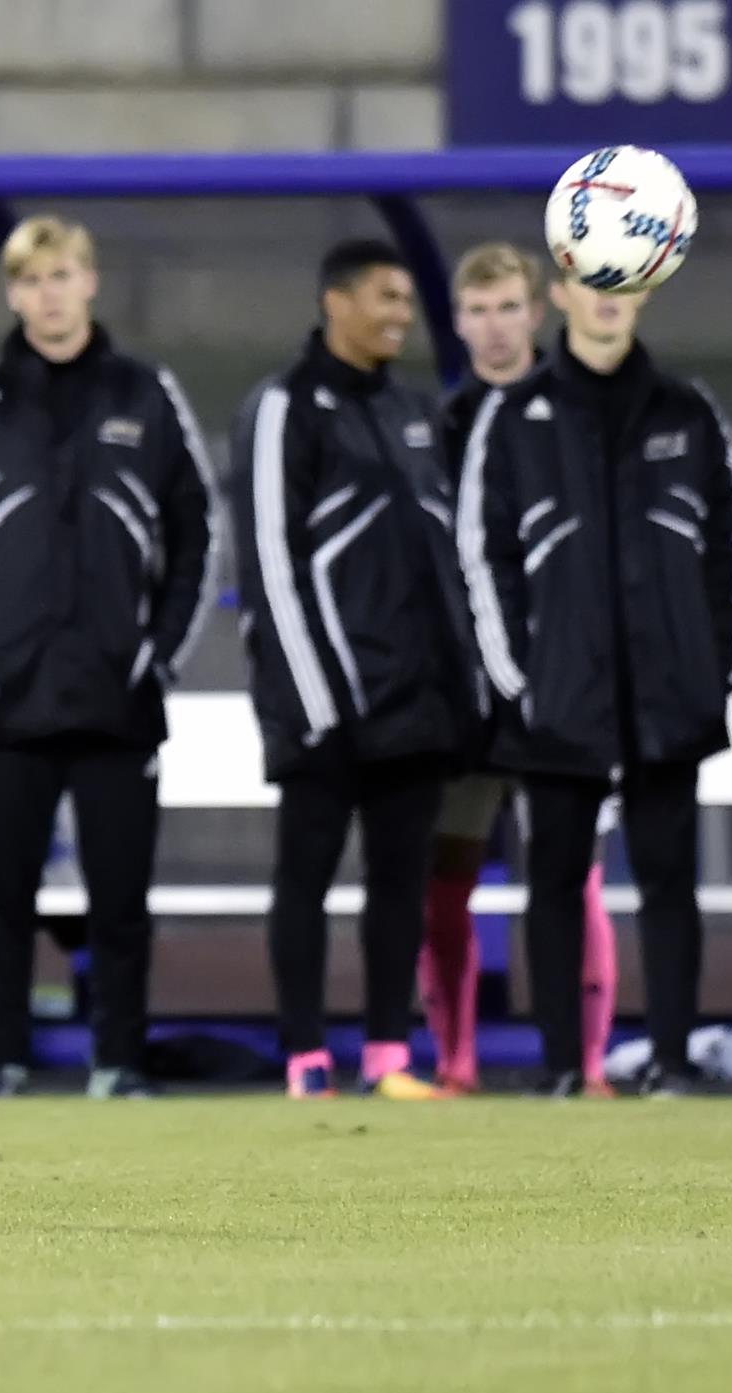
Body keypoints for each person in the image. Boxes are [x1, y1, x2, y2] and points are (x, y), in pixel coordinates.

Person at [0, 216, 216, 1100]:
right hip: (8, 701)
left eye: (64, 274)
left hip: (120, 699)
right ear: (13, 292)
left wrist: (158, 656)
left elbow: (197, 528)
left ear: (91, 282)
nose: (49, 293)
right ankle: (3, 1061)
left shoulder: (145, 393)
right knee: (5, 903)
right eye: (32, 279)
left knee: (122, 904)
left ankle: (118, 1061)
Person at [457, 268, 732, 1099]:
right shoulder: (514, 417)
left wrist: (709, 672)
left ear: (646, 290)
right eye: (592, 278)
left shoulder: (688, 412)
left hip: (668, 694)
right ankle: (559, 1068)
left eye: (626, 278)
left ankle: (674, 1060)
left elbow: (725, 554)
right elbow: (486, 556)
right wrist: (521, 677)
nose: (609, 293)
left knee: (668, 883)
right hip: (559, 696)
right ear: (561, 294)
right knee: (551, 881)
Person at [227, 239, 479, 1101]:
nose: (401, 315)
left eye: (409, 301)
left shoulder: (416, 411)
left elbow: (448, 556)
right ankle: (304, 1058)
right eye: (387, 298)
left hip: (415, 699)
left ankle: (386, 1054)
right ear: (336, 301)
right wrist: (313, 695)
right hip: (324, 703)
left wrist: (460, 682)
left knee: (399, 888)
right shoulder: (282, 407)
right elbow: (267, 556)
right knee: (305, 879)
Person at [423, 242, 621, 1096]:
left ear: (536, 314)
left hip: (557, 689)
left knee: (571, 874)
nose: (494, 327)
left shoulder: (580, 414)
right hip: (460, 698)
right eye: (478, 310)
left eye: (508, 307)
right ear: (458, 321)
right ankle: (458, 1063)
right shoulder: (437, 428)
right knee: (447, 876)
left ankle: (587, 1062)